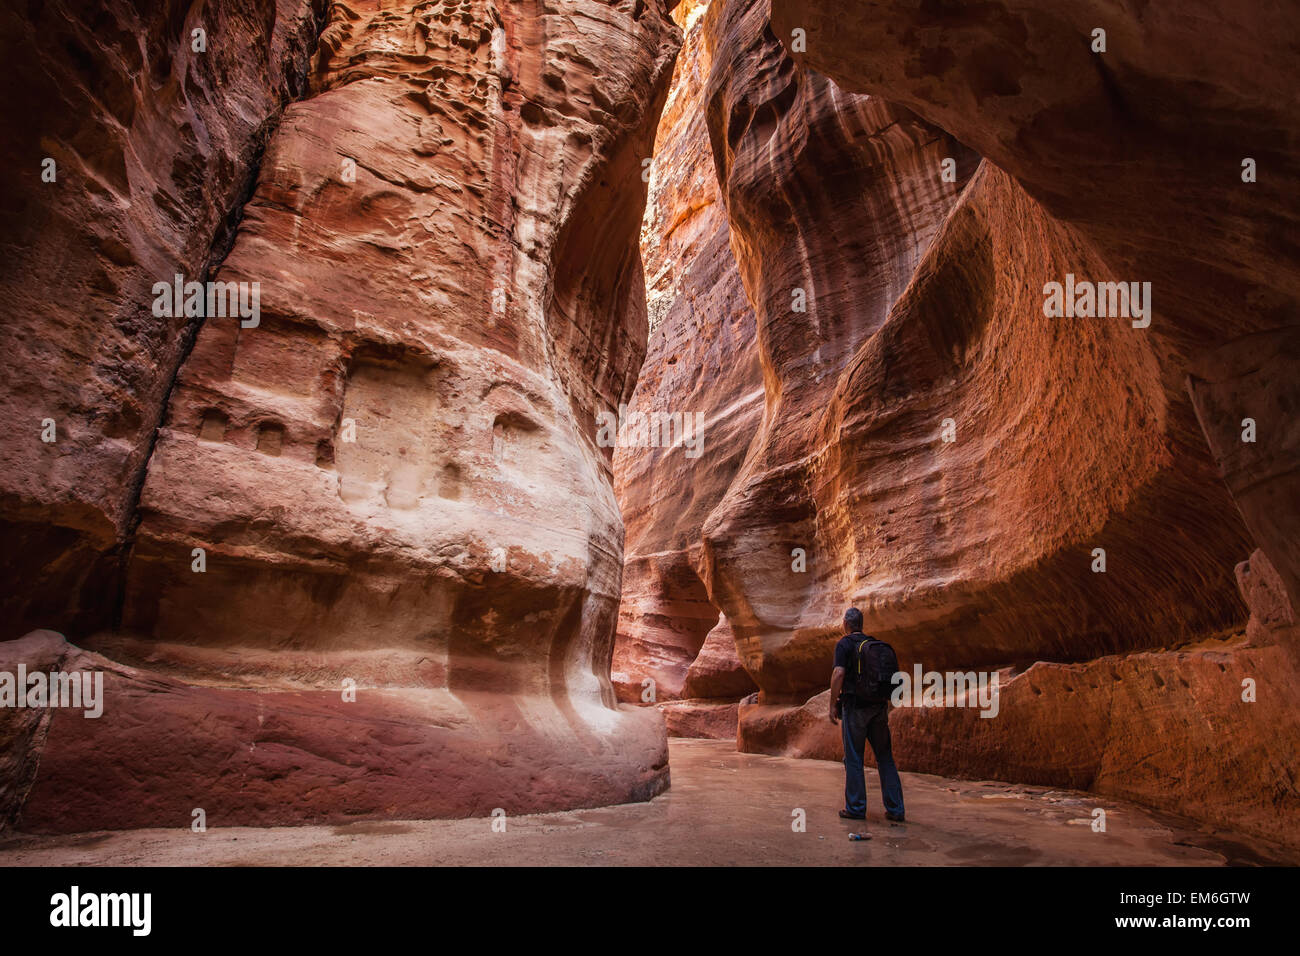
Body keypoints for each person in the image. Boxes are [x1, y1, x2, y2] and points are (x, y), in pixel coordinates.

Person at [829, 607, 905, 822]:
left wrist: (833, 703)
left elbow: (838, 673)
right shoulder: (876, 644)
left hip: (855, 707)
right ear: (861, 624)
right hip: (879, 707)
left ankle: (855, 808)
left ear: (846, 623)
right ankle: (896, 809)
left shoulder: (844, 644)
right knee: (885, 757)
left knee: (854, 758)